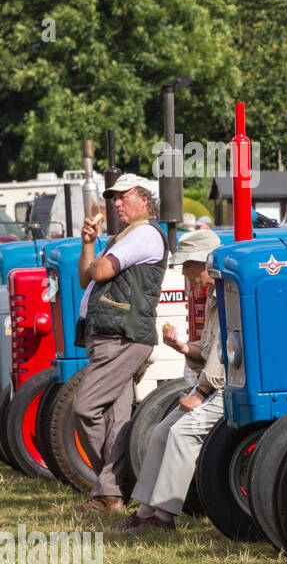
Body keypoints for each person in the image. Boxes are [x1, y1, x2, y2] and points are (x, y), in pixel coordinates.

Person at [71, 175, 169, 514]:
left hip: (122, 337)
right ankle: (112, 494)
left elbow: (99, 273)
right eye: (112, 197)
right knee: (116, 419)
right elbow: (86, 274)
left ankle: (112, 487)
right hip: (114, 336)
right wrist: (88, 243)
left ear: (144, 200)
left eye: (122, 197)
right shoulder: (126, 235)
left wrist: (98, 259)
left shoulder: (143, 233)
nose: (115, 203)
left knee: (84, 407)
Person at [120, 229, 224, 533]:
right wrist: (180, 346)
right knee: (163, 430)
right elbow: (207, 351)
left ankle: (163, 519)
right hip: (214, 383)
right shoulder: (214, 297)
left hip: (226, 387)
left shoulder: (229, 295)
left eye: (187, 267)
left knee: (183, 434)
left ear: (204, 262)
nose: (184, 274)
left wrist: (202, 391)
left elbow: (224, 353)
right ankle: (145, 512)